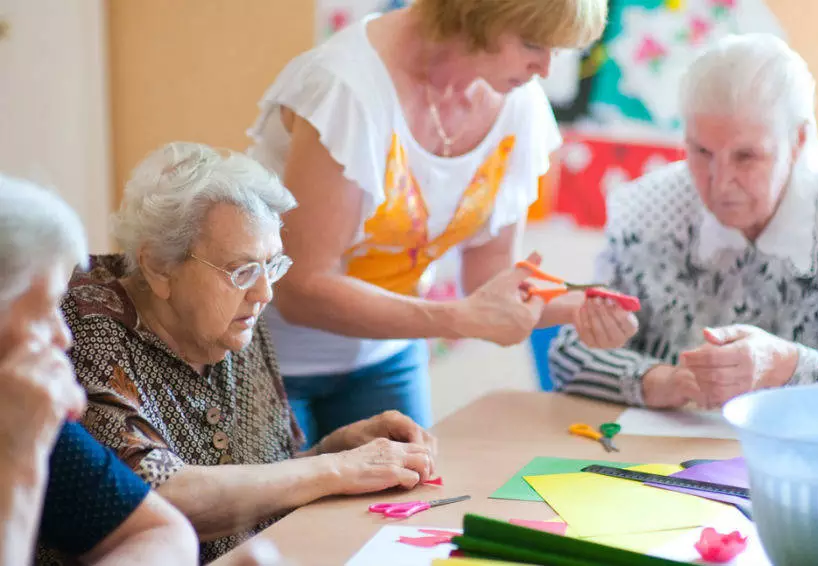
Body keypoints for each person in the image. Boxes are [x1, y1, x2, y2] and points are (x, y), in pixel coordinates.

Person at [246, 0, 626, 445]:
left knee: (400, 505)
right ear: (474, 12)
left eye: (556, 50)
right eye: (532, 43)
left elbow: (488, 276)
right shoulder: (347, 87)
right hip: (272, 360)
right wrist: (460, 319)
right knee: (280, 513)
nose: (544, 68)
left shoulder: (517, 103)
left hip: (388, 357)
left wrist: (582, 309)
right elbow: (301, 291)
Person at [67, 142, 439, 564]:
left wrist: (331, 452)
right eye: (242, 271)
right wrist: (339, 470)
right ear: (158, 267)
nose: (263, 293)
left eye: (273, 266)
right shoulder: (88, 324)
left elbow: (260, 480)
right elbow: (151, 501)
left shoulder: (231, 317)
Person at [549, 33, 818, 409]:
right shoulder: (646, 209)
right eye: (701, 151)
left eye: (746, 156)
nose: (719, 181)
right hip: (656, 455)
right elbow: (568, 355)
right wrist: (658, 381)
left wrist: (788, 365)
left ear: (798, 140)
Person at [0, 175, 198, 566]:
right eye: (44, 310)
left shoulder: (18, 405)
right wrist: (18, 458)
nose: (63, 337)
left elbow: (162, 532)